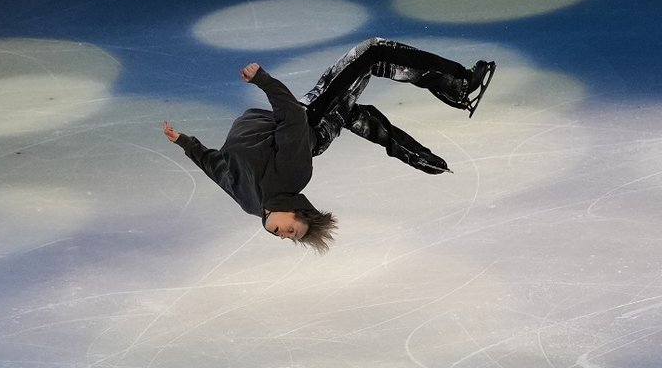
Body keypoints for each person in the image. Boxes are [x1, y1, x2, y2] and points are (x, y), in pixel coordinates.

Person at [162, 37, 496, 253]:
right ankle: (459, 85)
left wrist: (185, 143)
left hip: (309, 120)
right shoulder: (290, 177)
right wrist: (263, 80)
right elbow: (292, 118)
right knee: (373, 53)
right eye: (294, 232)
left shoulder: (250, 203)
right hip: (313, 120)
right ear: (297, 209)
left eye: (287, 236)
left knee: (356, 112)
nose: (285, 236)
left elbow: (216, 169)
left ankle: (415, 153)